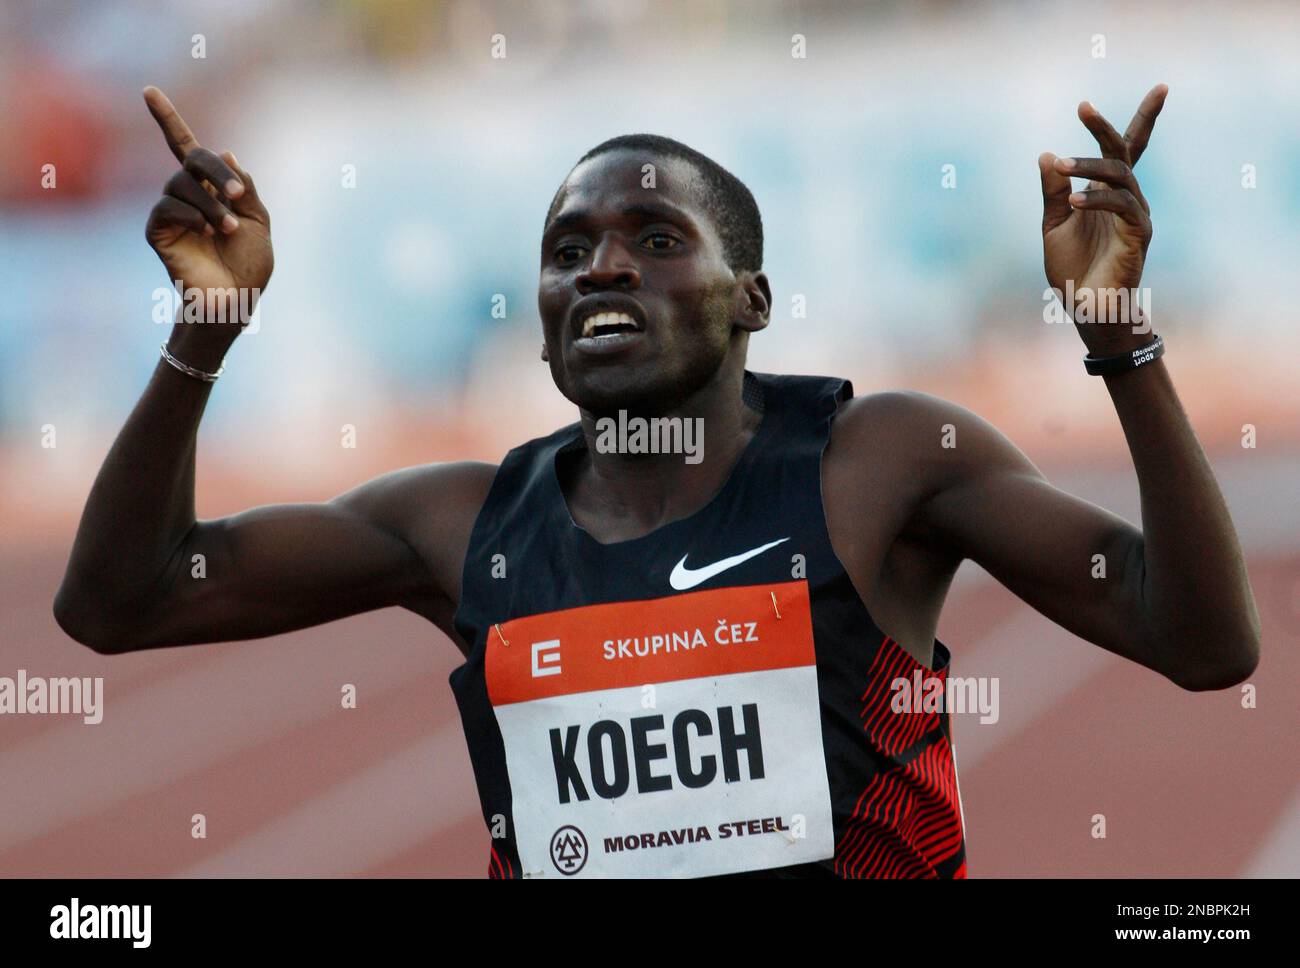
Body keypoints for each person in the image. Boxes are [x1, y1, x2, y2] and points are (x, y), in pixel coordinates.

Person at [55, 84, 1259, 879]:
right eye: (567, 253)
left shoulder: (878, 465)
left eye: (656, 237)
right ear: (538, 321)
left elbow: (1201, 639)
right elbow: (122, 601)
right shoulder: (460, 522)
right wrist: (201, 334)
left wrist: (1119, 342)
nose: (602, 269)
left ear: (755, 300)